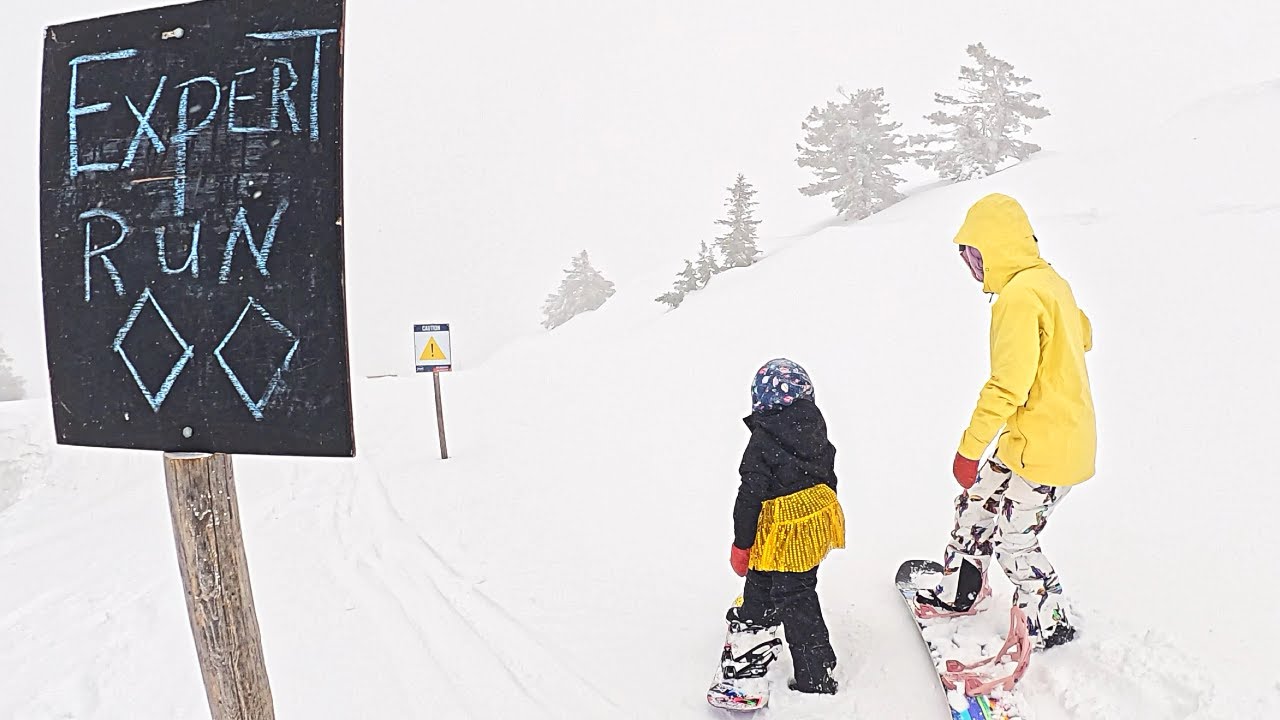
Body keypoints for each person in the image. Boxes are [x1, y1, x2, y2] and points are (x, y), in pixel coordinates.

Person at [916, 193, 1096, 651]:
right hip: (1030, 437)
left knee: (1016, 538)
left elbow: (1007, 386)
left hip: (1050, 448)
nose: (973, 268)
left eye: (975, 256)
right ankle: (964, 590)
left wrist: (969, 448)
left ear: (994, 249)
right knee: (977, 506)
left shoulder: (1018, 297)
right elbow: (1085, 334)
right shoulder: (1048, 282)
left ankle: (1050, 620)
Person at [718, 358, 844, 695]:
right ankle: (757, 616)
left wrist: (741, 544)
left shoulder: (761, 443)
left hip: (784, 529)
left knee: (795, 597)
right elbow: (827, 470)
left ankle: (816, 675)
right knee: (779, 578)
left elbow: (749, 498)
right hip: (815, 522)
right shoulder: (815, 427)